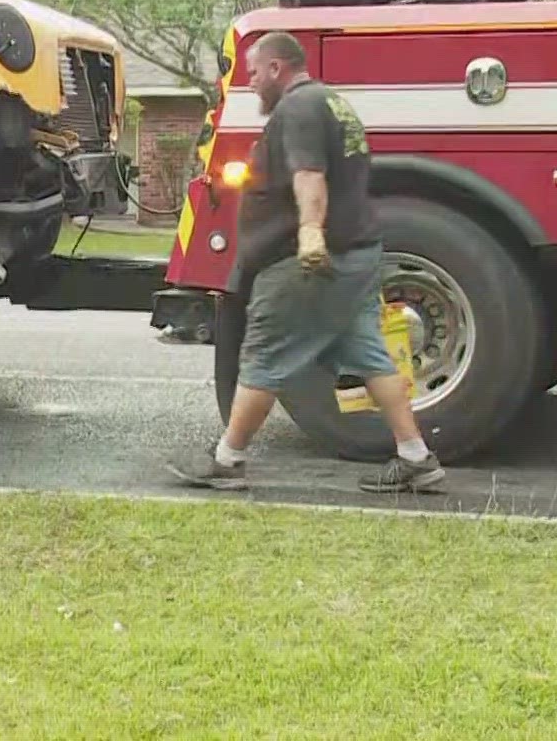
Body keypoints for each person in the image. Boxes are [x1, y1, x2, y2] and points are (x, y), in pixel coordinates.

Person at [170, 30, 445, 494]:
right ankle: (417, 458)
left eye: (254, 73)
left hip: (307, 262)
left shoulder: (298, 109)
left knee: (264, 354)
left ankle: (227, 460)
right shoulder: (334, 103)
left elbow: (309, 176)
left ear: (277, 68)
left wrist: (310, 233)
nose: (251, 83)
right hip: (355, 254)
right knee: (369, 354)